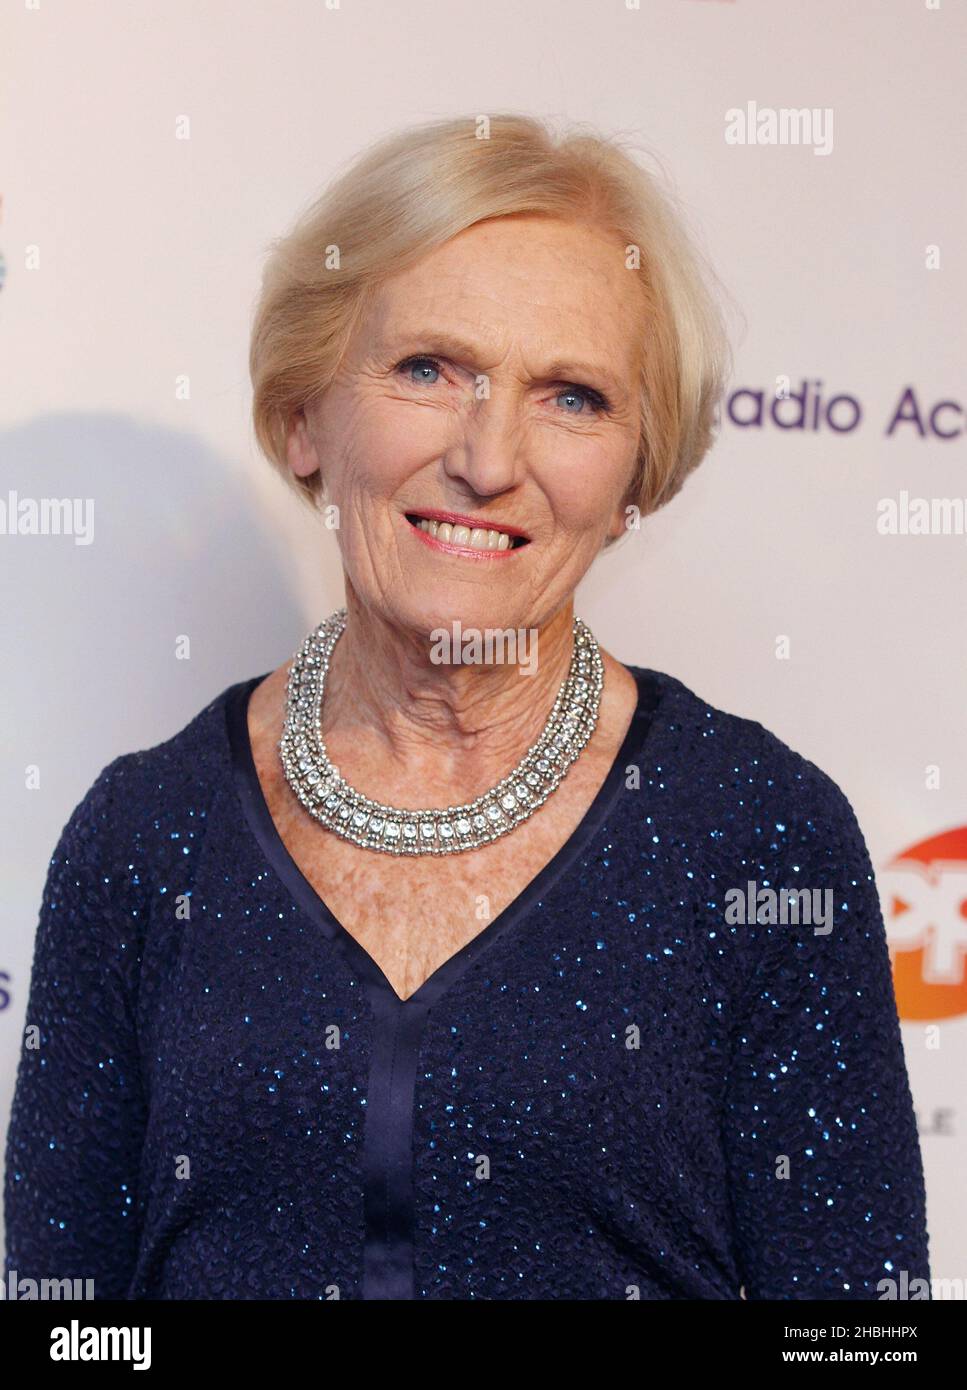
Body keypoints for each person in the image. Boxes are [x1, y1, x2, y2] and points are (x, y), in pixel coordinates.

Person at [3, 113, 929, 1300]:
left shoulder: (756, 831)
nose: (489, 459)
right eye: (430, 369)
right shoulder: (143, 833)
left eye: (574, 397)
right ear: (303, 419)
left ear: (636, 473)